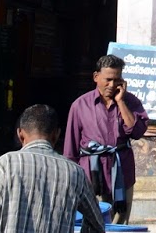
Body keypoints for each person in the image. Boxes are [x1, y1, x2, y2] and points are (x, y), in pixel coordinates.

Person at [0, 104, 104, 233]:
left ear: (20, 135)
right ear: (56, 135)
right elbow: (97, 224)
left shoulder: (4, 165)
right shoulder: (75, 173)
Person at [63, 53, 149, 222]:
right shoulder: (80, 105)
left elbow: (137, 132)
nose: (112, 84)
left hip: (122, 175)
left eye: (117, 80)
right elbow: (70, 150)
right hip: (91, 178)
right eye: (108, 79)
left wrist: (121, 102)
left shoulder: (131, 102)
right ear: (96, 77)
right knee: (91, 224)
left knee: (119, 224)